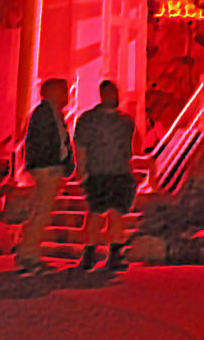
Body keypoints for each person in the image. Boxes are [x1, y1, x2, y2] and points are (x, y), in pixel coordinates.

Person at [73, 79, 138, 272]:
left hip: (112, 170)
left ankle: (106, 252)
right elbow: (81, 147)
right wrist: (82, 169)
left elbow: (128, 146)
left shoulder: (120, 121)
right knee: (100, 211)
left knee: (109, 211)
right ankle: (95, 252)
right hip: (105, 171)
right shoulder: (96, 120)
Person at [15, 76, 74, 275]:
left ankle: (29, 252)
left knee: (41, 211)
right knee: (41, 212)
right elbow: (42, 144)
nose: (68, 96)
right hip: (47, 168)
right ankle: (29, 254)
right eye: (64, 91)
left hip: (49, 167)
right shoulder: (44, 115)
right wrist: (48, 164)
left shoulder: (52, 114)